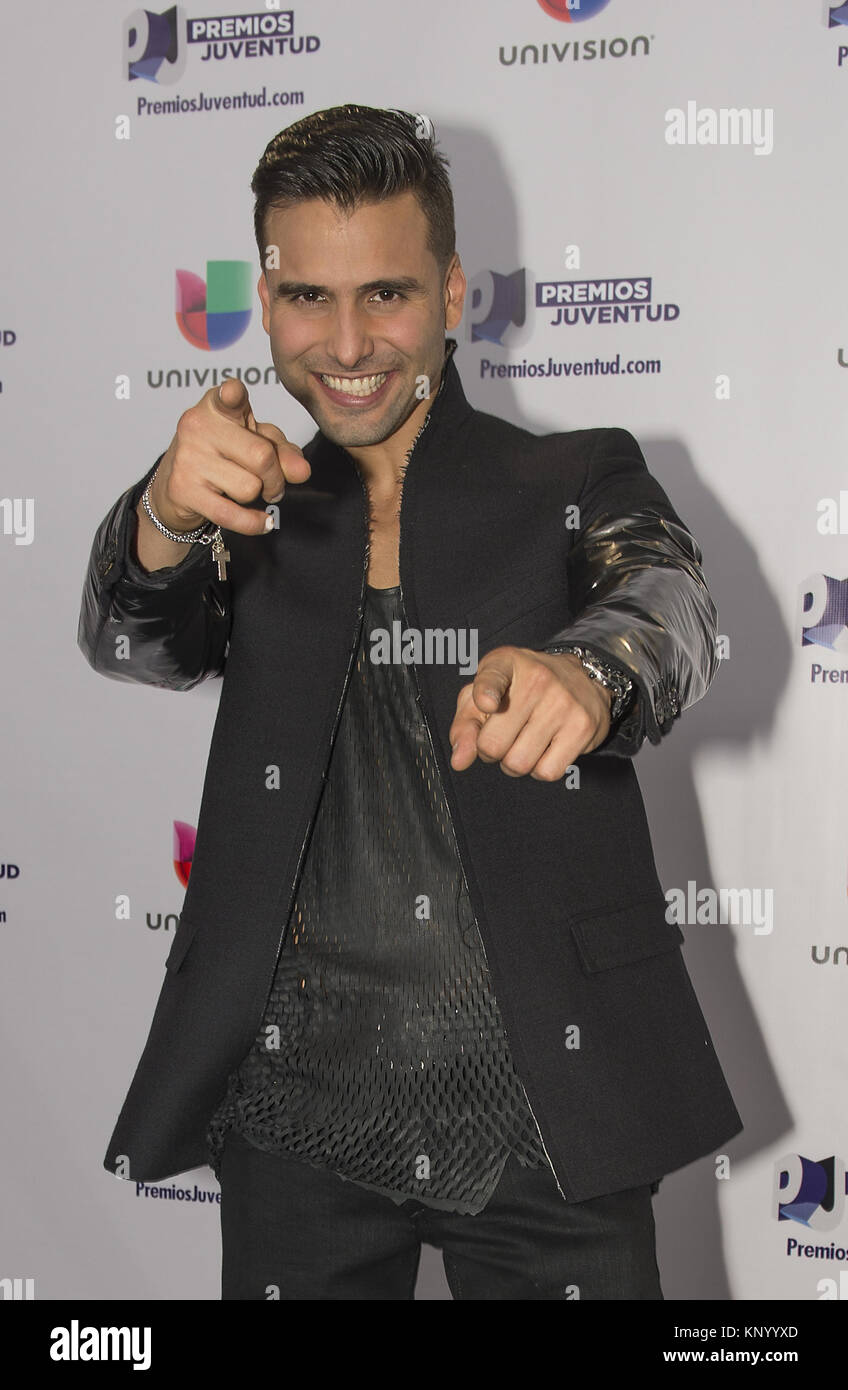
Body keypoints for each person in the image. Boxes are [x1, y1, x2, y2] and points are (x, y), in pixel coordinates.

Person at [77, 104, 742, 1301]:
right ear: (265, 301)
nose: (344, 344)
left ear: (449, 294)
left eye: (384, 294)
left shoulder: (575, 472)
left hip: (550, 1104)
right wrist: (163, 514)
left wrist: (588, 671)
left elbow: (669, 599)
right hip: (295, 1111)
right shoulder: (248, 499)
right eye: (305, 299)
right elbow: (135, 644)